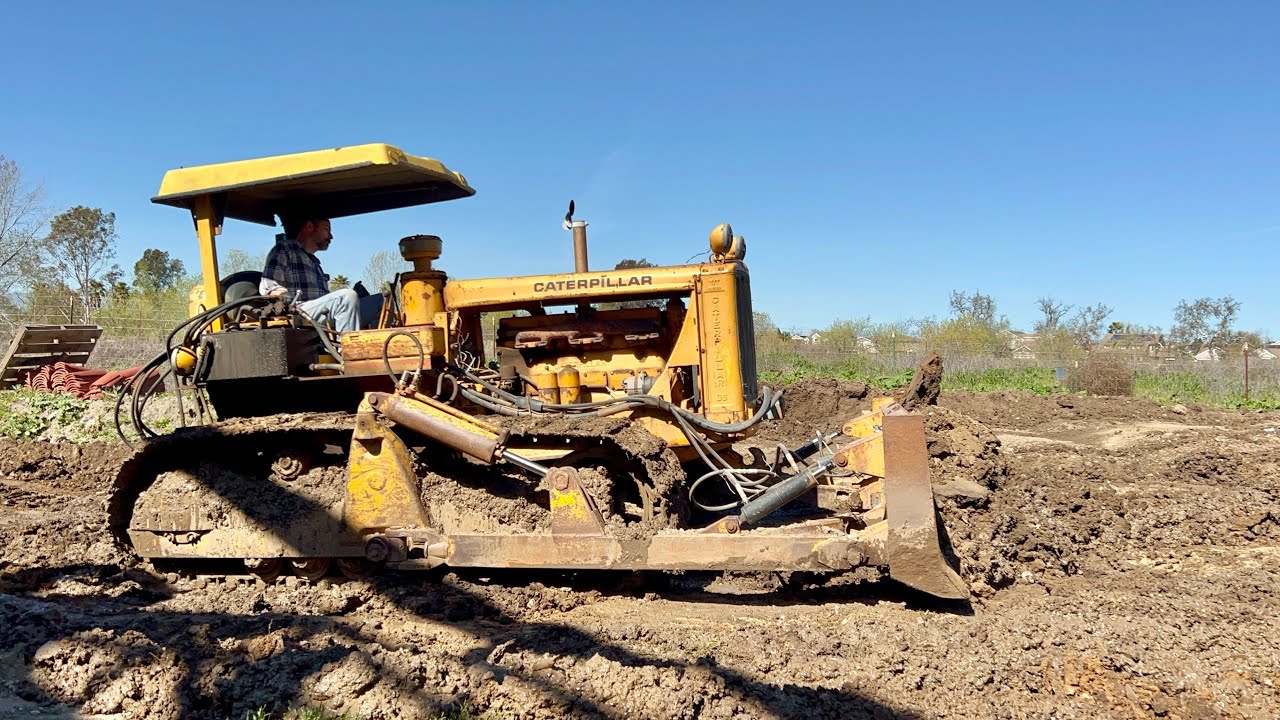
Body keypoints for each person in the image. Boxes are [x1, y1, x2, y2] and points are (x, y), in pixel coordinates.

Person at [259, 216, 380, 333]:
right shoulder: (285, 249)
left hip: (322, 312)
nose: (331, 236)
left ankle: (372, 348)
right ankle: (346, 351)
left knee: (380, 301)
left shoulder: (315, 263)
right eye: (326, 230)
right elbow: (268, 285)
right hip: (300, 311)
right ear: (310, 227)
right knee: (346, 297)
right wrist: (282, 296)